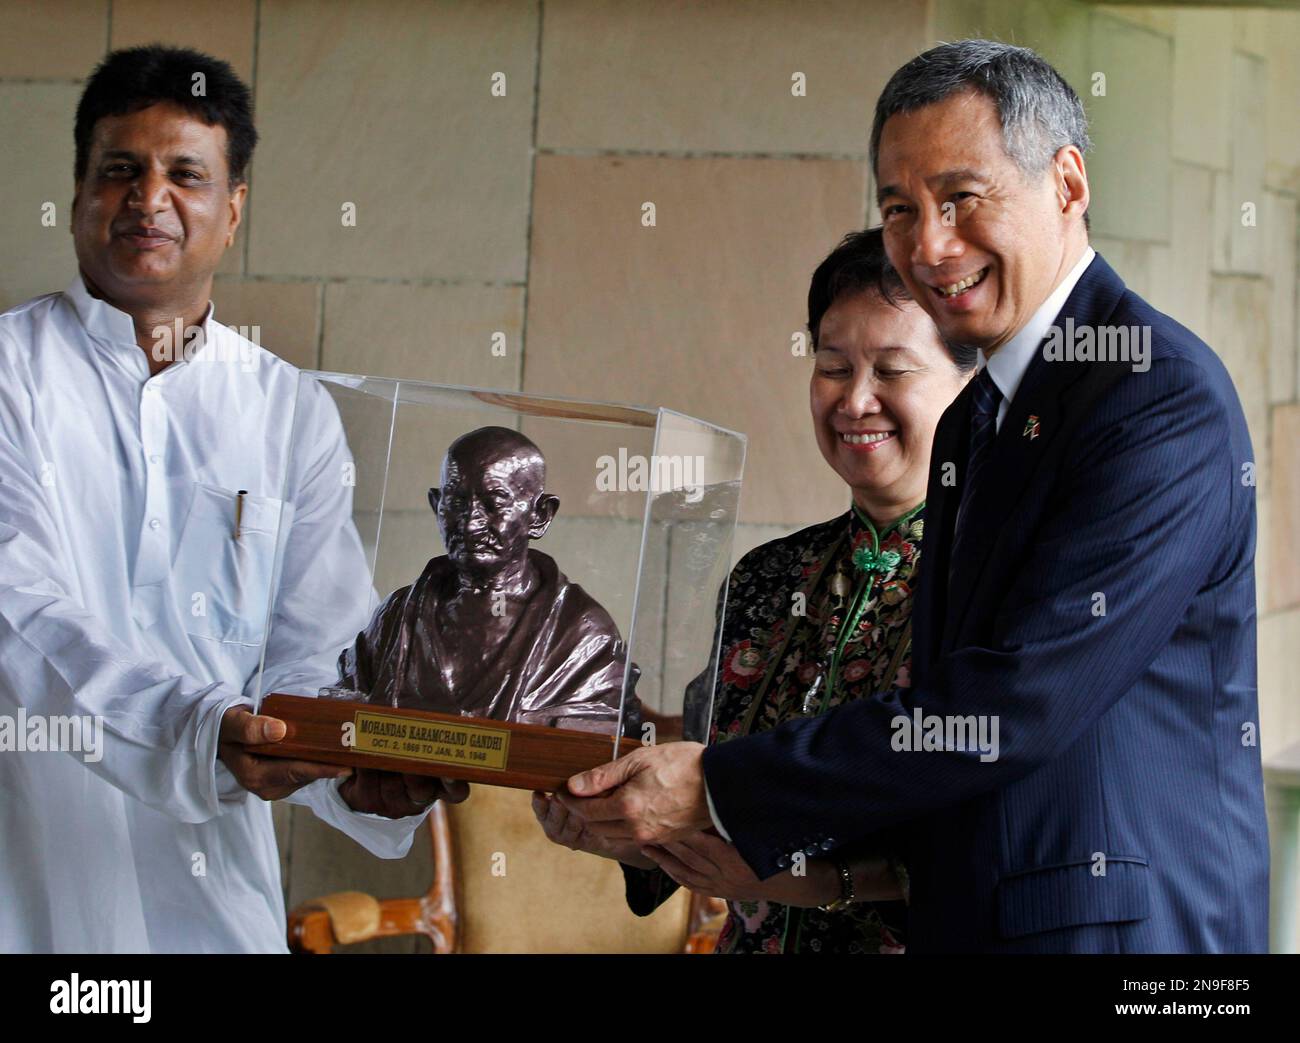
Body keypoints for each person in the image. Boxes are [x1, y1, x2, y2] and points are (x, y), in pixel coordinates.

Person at [556, 39, 1269, 954]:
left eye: (961, 199)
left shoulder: (1156, 391)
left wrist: (720, 787)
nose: (928, 245)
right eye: (900, 209)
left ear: (1067, 182)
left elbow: (1016, 701)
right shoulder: (979, 417)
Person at [0, 45, 463, 954]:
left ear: (233, 209)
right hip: (27, 879)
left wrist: (353, 771)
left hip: (212, 903)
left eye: (186, 174)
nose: (148, 200)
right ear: (78, 192)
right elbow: (20, 615)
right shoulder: (9, 375)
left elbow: (317, 654)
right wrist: (200, 729)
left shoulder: (291, 413)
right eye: (119, 171)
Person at [534, 229, 973, 952]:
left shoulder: (998, 579)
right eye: (833, 366)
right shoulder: (769, 577)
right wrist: (619, 830)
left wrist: (823, 881)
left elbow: (1004, 839)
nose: (855, 400)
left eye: (892, 370)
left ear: (968, 385)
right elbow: (709, 795)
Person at [337, 426, 627, 731]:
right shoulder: (397, 615)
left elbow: (588, 740)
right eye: (458, 502)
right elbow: (344, 708)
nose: (471, 524)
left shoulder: (581, 633)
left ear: (540, 515)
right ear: (437, 506)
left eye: (494, 503)